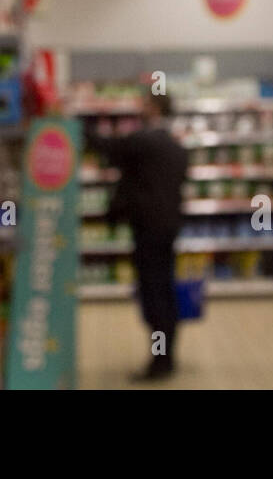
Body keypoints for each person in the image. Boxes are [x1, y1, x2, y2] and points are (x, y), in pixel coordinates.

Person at [99, 89, 188, 382]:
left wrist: (68, 127)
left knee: (153, 296)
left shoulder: (145, 141)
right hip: (168, 227)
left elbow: (108, 148)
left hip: (148, 229)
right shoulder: (176, 147)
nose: (140, 107)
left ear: (155, 108)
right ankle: (167, 356)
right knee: (165, 290)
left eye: (145, 103)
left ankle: (159, 362)